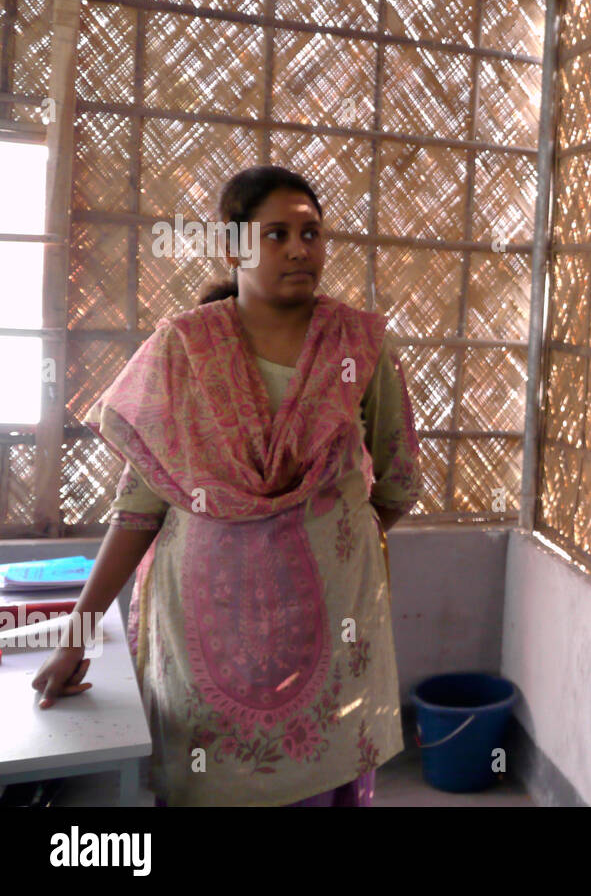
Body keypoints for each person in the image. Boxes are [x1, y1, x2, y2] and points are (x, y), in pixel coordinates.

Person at [32, 165, 422, 806]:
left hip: (330, 639)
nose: (300, 248)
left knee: (320, 790)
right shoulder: (182, 351)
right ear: (232, 246)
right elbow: (140, 505)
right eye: (276, 234)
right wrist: (77, 636)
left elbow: (396, 479)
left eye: (312, 232)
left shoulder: (360, 348)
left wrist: (333, 541)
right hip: (202, 646)